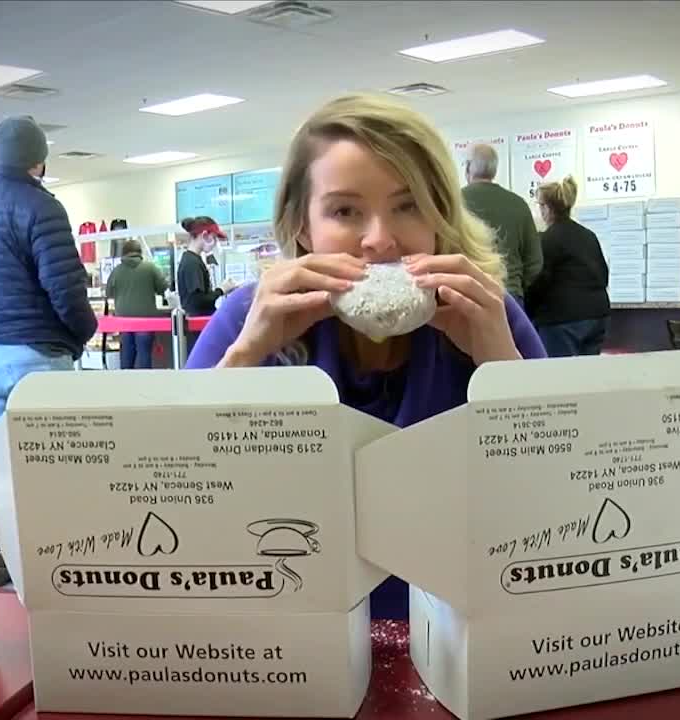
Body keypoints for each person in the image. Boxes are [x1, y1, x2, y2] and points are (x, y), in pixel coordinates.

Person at [186, 93, 547, 620]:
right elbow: (176, 486)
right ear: (302, 226)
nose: (380, 241)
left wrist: (497, 362)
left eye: (408, 206)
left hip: (459, 625)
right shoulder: (252, 313)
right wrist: (247, 354)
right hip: (290, 623)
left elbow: (558, 495)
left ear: (441, 216)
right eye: (345, 211)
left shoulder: (486, 310)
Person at [0, 115, 96, 481]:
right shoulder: (42, 206)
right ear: (39, 160)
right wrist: (83, 331)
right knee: (49, 465)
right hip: (38, 350)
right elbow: (64, 286)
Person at [525, 176, 610, 356]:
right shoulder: (588, 236)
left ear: (547, 208)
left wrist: (527, 311)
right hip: (597, 314)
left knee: (561, 378)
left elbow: (538, 282)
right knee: (588, 376)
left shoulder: (547, 239)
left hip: (561, 319)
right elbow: (603, 274)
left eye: (540, 205)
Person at [460, 144, 541, 306]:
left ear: (468, 168)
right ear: (494, 171)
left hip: (465, 296)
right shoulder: (519, 204)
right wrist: (516, 283)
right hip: (510, 295)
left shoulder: (454, 203)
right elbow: (534, 262)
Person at [106, 239, 169, 369]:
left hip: (123, 321)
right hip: (145, 320)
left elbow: (109, 293)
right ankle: (145, 386)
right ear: (139, 252)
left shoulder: (116, 271)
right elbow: (164, 288)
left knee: (127, 355)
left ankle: (126, 385)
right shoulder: (150, 268)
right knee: (144, 354)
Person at [175, 216, 231, 318]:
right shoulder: (192, 263)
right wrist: (221, 290)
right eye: (214, 238)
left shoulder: (193, 260)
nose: (215, 243)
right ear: (205, 235)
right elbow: (198, 301)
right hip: (198, 323)